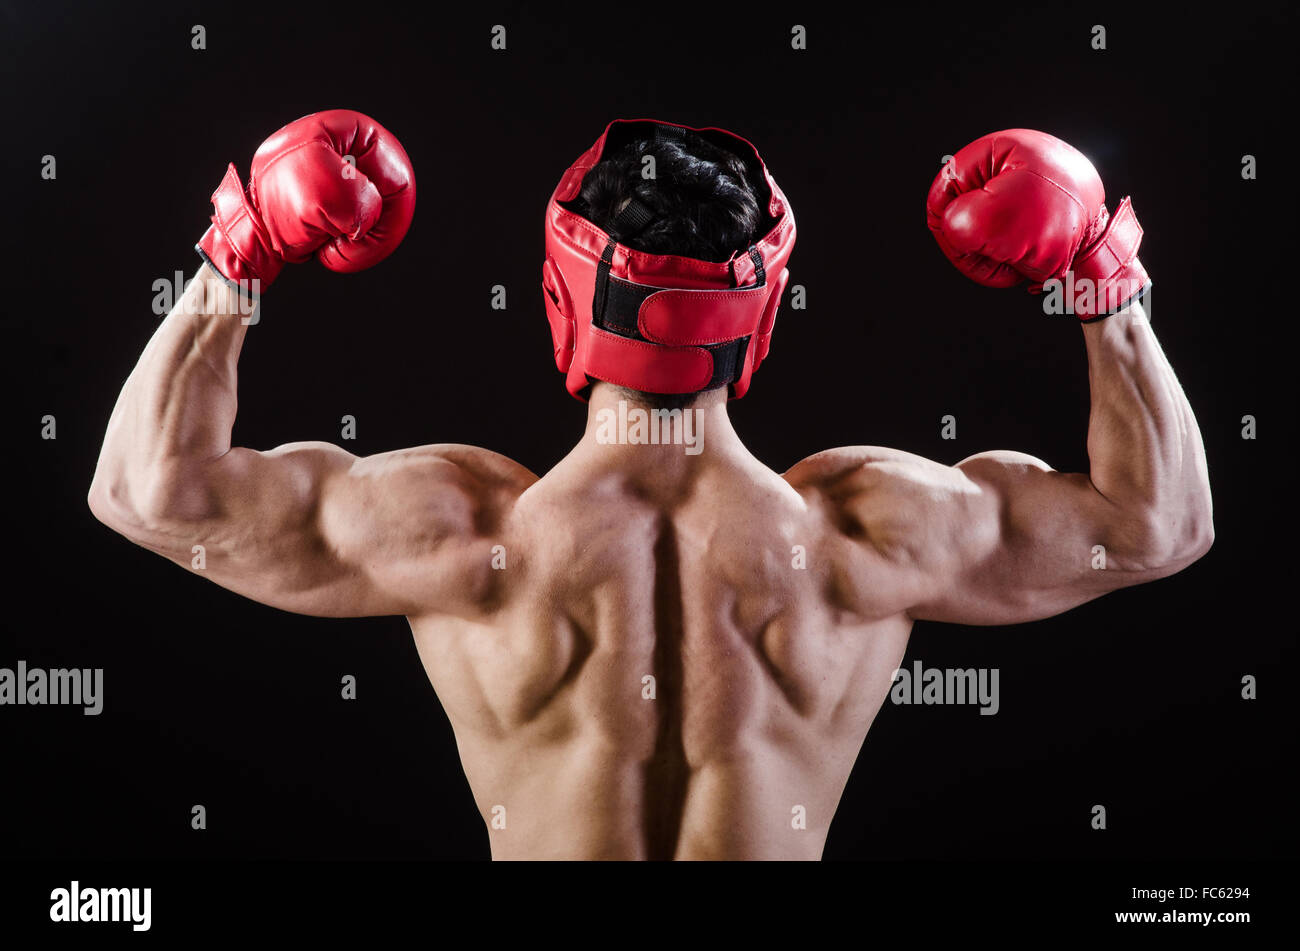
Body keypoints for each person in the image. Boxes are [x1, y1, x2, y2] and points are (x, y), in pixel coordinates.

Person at [89, 112, 1213, 860]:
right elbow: (1159, 525)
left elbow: (145, 493)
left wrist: (240, 253)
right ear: (760, 320)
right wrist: (1099, 282)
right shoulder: (865, 534)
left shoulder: (465, 534)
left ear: (558, 300)